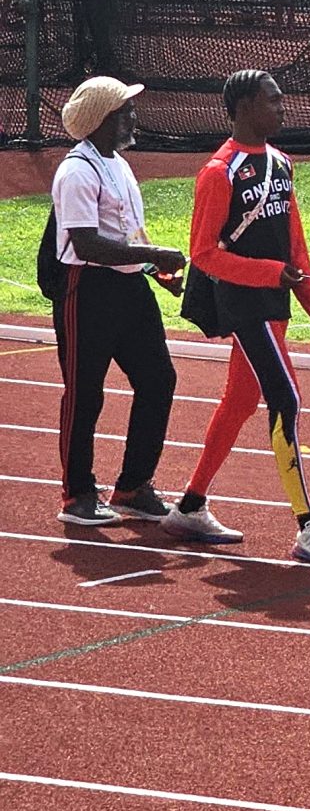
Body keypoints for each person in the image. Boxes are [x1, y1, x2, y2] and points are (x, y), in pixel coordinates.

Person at [162, 71, 310, 563]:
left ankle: (190, 505)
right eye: (273, 100)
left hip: (275, 304)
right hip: (243, 306)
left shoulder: (282, 164)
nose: (282, 107)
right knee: (286, 397)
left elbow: (295, 244)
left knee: (241, 400)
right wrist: (270, 274)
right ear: (244, 106)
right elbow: (203, 254)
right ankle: (308, 523)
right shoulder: (218, 172)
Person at [50, 78, 184, 527]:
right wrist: (152, 255)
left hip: (129, 289)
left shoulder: (119, 166)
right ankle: (77, 493)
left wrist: (154, 271)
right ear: (103, 119)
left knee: (158, 378)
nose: (132, 117)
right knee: (85, 391)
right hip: (87, 289)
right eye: (124, 111)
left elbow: (127, 232)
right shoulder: (76, 172)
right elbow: (87, 244)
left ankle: (133, 484)